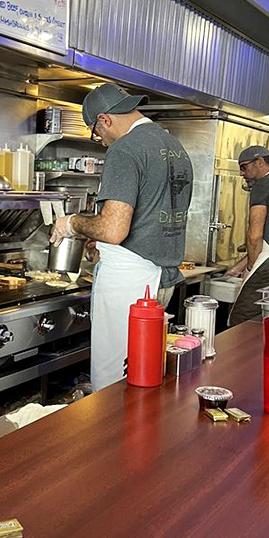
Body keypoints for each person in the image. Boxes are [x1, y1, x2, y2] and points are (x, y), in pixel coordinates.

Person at [50, 83, 193, 392]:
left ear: (104, 119)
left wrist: (71, 223)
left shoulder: (125, 149)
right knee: (145, 374)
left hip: (130, 286)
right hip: (161, 279)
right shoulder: (174, 146)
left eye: (96, 133)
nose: (101, 141)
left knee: (114, 380)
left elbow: (114, 230)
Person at [227, 146, 269, 326]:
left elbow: (255, 234)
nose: (242, 173)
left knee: (242, 318)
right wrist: (238, 267)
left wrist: (250, 267)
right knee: (268, 316)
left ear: (260, 162)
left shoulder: (262, 185)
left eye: (244, 167)